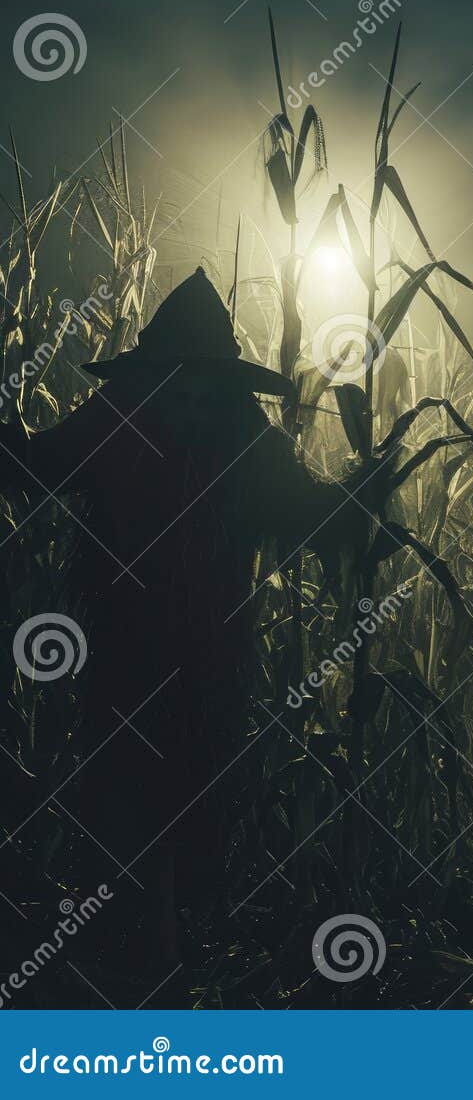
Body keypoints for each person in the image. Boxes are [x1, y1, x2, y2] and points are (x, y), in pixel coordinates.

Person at [0, 267, 366, 976]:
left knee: (184, 793)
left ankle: (156, 946)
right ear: (159, 374)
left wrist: (364, 488)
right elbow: (39, 464)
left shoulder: (231, 428)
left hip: (204, 649)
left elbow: (305, 512)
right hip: (129, 645)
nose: (191, 396)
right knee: (134, 789)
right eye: (181, 378)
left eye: (201, 381)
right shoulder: (126, 413)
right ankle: (145, 947)